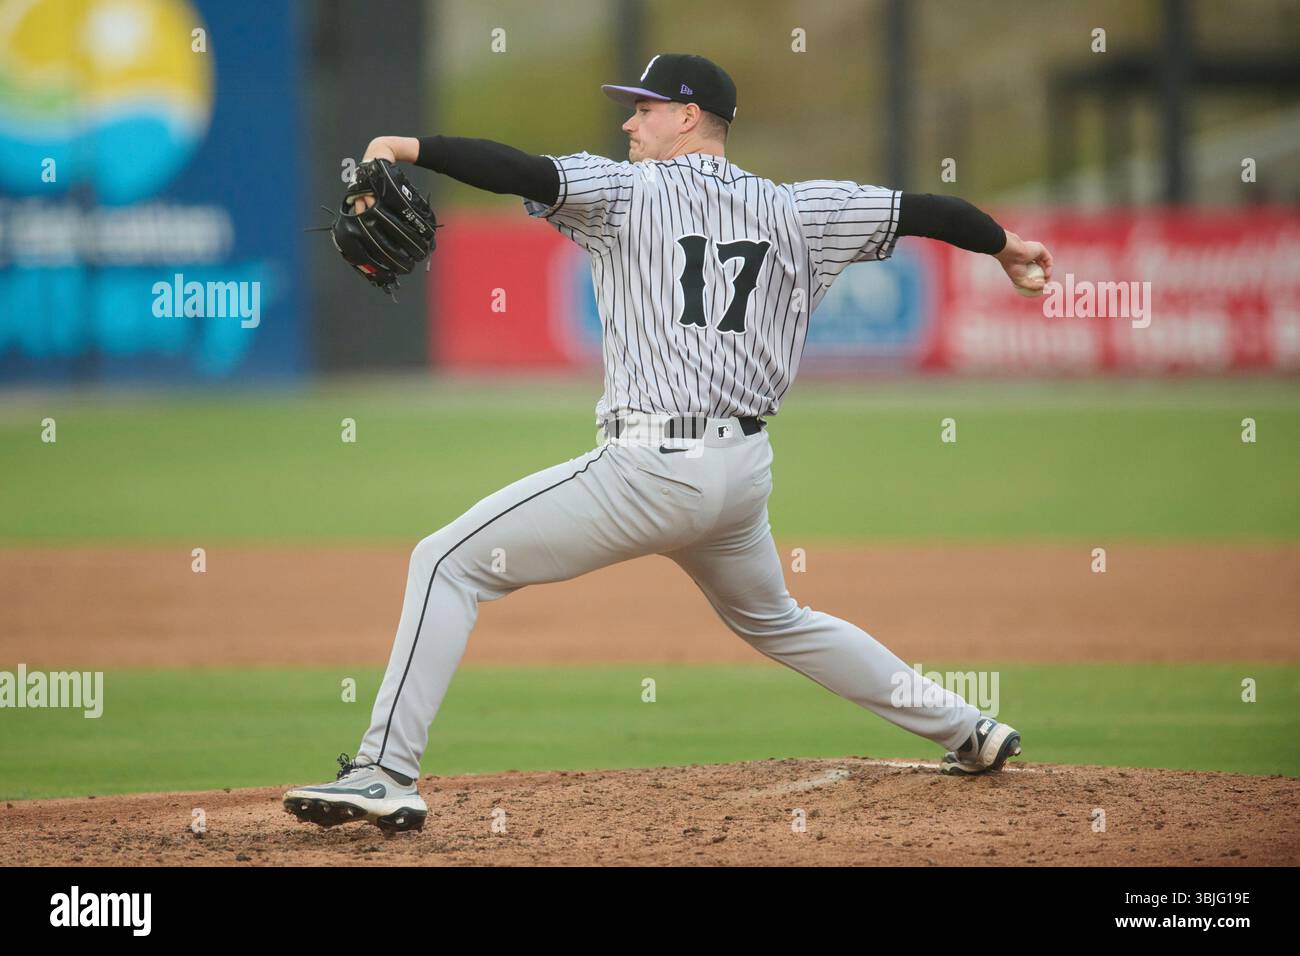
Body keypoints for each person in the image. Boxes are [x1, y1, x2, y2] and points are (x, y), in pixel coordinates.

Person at [284, 53, 1049, 833]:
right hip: (742, 475)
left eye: (643, 109)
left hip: (650, 470)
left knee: (446, 562)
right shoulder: (802, 208)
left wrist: (408, 148)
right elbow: (926, 210)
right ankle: (967, 728)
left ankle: (385, 771)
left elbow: (517, 168)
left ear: (688, 117)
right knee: (778, 619)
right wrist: (1004, 244)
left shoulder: (622, 193)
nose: (628, 123)